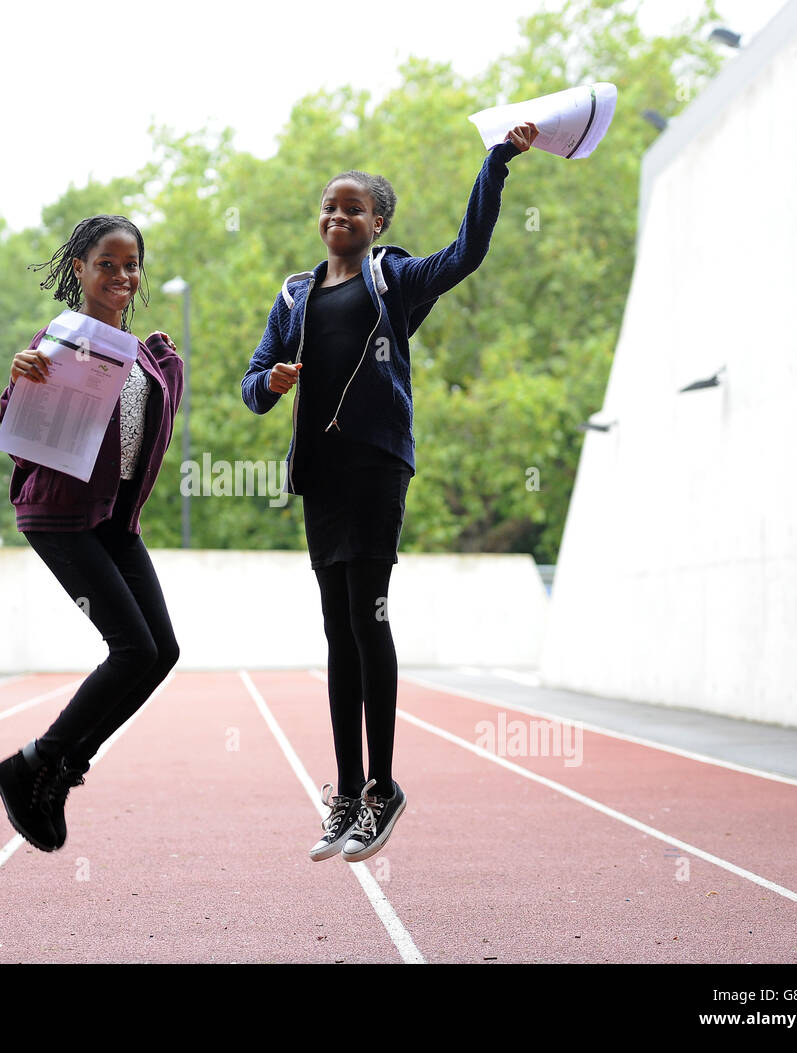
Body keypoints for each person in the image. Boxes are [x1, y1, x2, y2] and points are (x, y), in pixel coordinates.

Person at [240, 123, 538, 863]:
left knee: (369, 620)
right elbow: (251, 385)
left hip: (376, 466)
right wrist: (270, 383)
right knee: (337, 630)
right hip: (320, 475)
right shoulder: (296, 294)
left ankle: (383, 788)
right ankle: (343, 792)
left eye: (353, 211)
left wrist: (495, 164)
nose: (337, 219)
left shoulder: (391, 280)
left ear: (379, 222)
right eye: (328, 209)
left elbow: (466, 254)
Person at [0, 214, 184, 853]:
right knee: (131, 649)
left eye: (131, 265)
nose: (122, 276)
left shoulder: (144, 352)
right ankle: (39, 767)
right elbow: (18, 427)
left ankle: (46, 769)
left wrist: (164, 364)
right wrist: (19, 377)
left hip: (115, 520)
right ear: (79, 268)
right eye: (107, 264)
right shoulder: (60, 340)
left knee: (162, 652)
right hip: (61, 515)